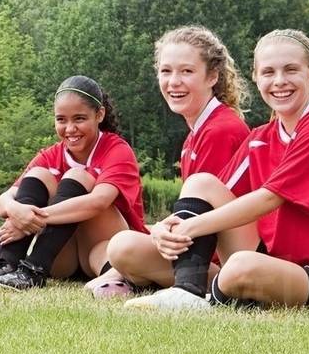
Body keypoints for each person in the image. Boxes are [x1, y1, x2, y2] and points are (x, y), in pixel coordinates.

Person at [122, 29, 309, 310]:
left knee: (242, 266)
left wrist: (189, 227)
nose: (279, 81)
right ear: (256, 77)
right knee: (199, 184)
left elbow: (270, 197)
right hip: (272, 260)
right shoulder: (260, 137)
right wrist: (164, 228)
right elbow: (208, 198)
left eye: (291, 70)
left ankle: (208, 298)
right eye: (268, 72)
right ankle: (188, 291)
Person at [94, 26, 250, 298]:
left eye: (186, 71)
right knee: (123, 247)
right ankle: (135, 277)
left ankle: (187, 285)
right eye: (166, 71)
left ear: (212, 76)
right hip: (212, 252)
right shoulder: (196, 134)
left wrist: (159, 238)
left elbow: (211, 220)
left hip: (233, 257)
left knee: (123, 248)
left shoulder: (221, 130)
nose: (173, 81)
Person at [0, 75, 146, 291]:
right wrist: (17, 212)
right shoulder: (50, 154)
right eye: (61, 120)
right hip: (64, 256)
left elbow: (99, 202)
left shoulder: (117, 150)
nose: (70, 128)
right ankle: (9, 265)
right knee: (40, 174)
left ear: (99, 114)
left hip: (103, 247)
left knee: (77, 176)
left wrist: (33, 219)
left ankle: (34, 269)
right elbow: (4, 200)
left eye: (79, 118)